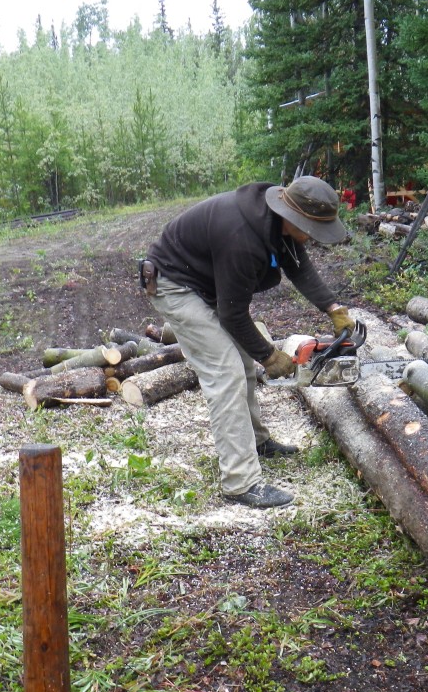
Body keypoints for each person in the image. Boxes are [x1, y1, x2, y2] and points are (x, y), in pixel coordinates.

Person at [141, 176, 355, 509]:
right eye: (312, 229)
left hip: (206, 283)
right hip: (175, 285)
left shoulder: (276, 221)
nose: (313, 238)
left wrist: (333, 307)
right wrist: (271, 356)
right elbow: (233, 316)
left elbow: (298, 267)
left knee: (241, 362)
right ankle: (240, 482)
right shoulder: (241, 235)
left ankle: (255, 441)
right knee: (225, 371)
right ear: (295, 216)